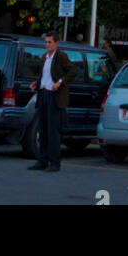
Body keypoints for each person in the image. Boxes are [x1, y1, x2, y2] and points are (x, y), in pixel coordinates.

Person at [28, 29, 77, 172]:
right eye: (46, 42)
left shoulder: (61, 56)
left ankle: (55, 163)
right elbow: (44, 76)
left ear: (56, 43)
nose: (47, 45)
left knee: (53, 131)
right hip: (43, 94)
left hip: (54, 96)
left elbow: (73, 71)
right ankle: (42, 160)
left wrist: (60, 82)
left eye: (50, 42)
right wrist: (36, 84)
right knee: (42, 129)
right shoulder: (45, 57)